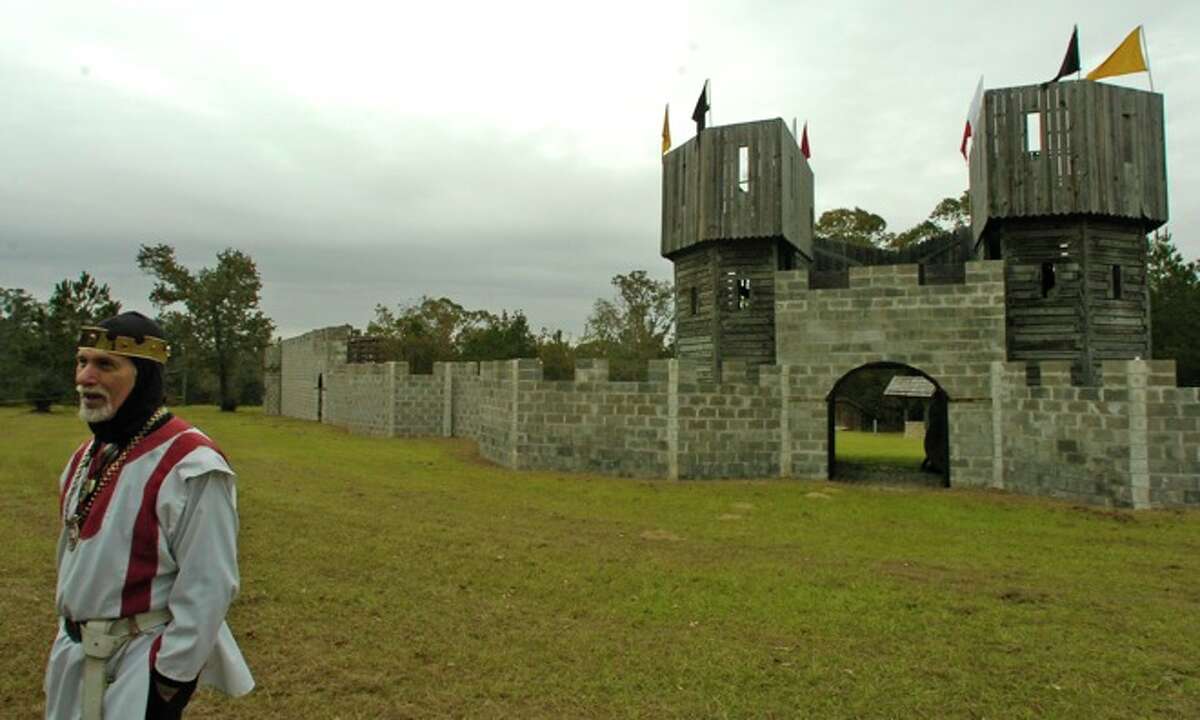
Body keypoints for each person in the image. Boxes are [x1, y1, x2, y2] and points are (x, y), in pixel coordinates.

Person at [44, 311, 253, 720]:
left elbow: (209, 584)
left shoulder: (192, 465)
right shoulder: (85, 458)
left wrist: (170, 677)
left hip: (138, 660)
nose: (86, 377)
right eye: (83, 361)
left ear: (143, 376)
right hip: (73, 653)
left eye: (106, 365)